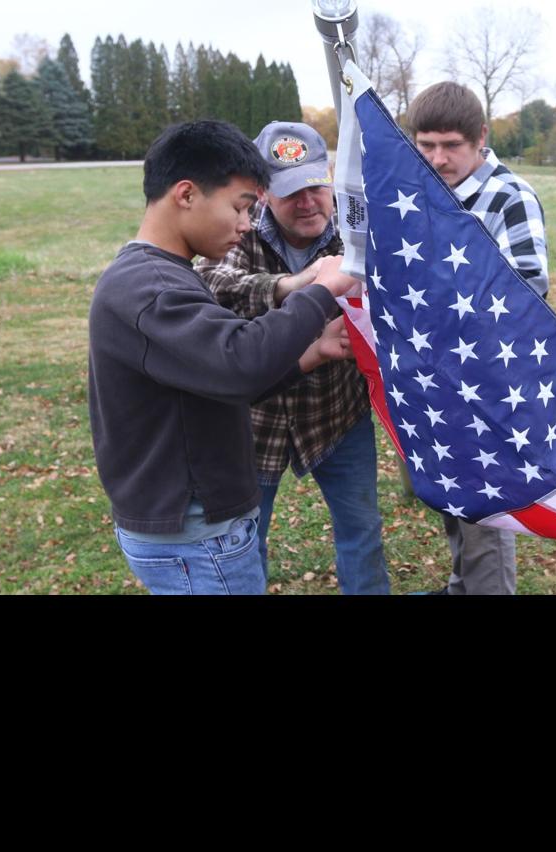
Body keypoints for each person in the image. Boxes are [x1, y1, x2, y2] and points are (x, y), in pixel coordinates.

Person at [88, 119, 358, 594]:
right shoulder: (151, 289)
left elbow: (220, 379)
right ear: (186, 194)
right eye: (239, 206)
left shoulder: (163, 275)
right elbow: (239, 362)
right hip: (196, 538)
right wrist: (320, 291)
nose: (246, 224)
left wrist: (311, 353)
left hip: (199, 530)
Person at [196, 120, 390, 594]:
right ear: (264, 194)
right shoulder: (240, 232)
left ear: (329, 179)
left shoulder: (355, 234)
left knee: (362, 530)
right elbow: (211, 286)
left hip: (336, 415)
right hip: (254, 423)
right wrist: (295, 286)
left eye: (314, 188)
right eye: (290, 193)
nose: (307, 203)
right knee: (245, 540)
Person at [399, 80, 552, 595]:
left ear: (480, 137)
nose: (438, 158)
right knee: (452, 493)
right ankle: (461, 585)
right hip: (435, 377)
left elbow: (529, 289)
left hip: (486, 382)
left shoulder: (509, 196)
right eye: (426, 145)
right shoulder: (424, 191)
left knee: (484, 506)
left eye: (451, 145)